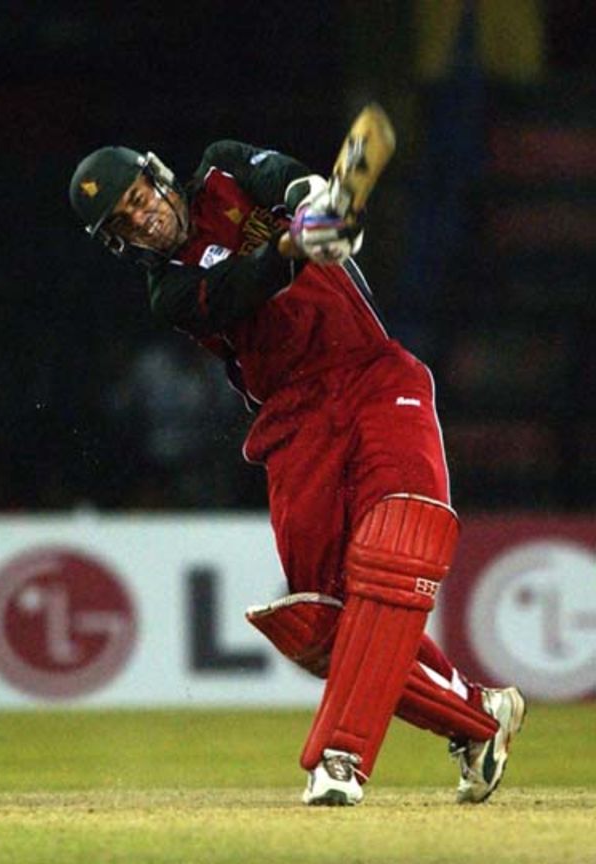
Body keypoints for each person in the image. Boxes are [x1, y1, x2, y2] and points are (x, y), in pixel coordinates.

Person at [69, 140, 525, 806]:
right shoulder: (168, 293)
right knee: (321, 622)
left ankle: (340, 758)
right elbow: (244, 288)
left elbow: (288, 180)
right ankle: (482, 721)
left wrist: (317, 208)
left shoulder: (224, 168)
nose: (138, 220)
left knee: (395, 547)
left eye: (136, 201)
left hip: (373, 378)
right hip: (294, 422)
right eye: (121, 224)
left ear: (157, 178)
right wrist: (292, 248)